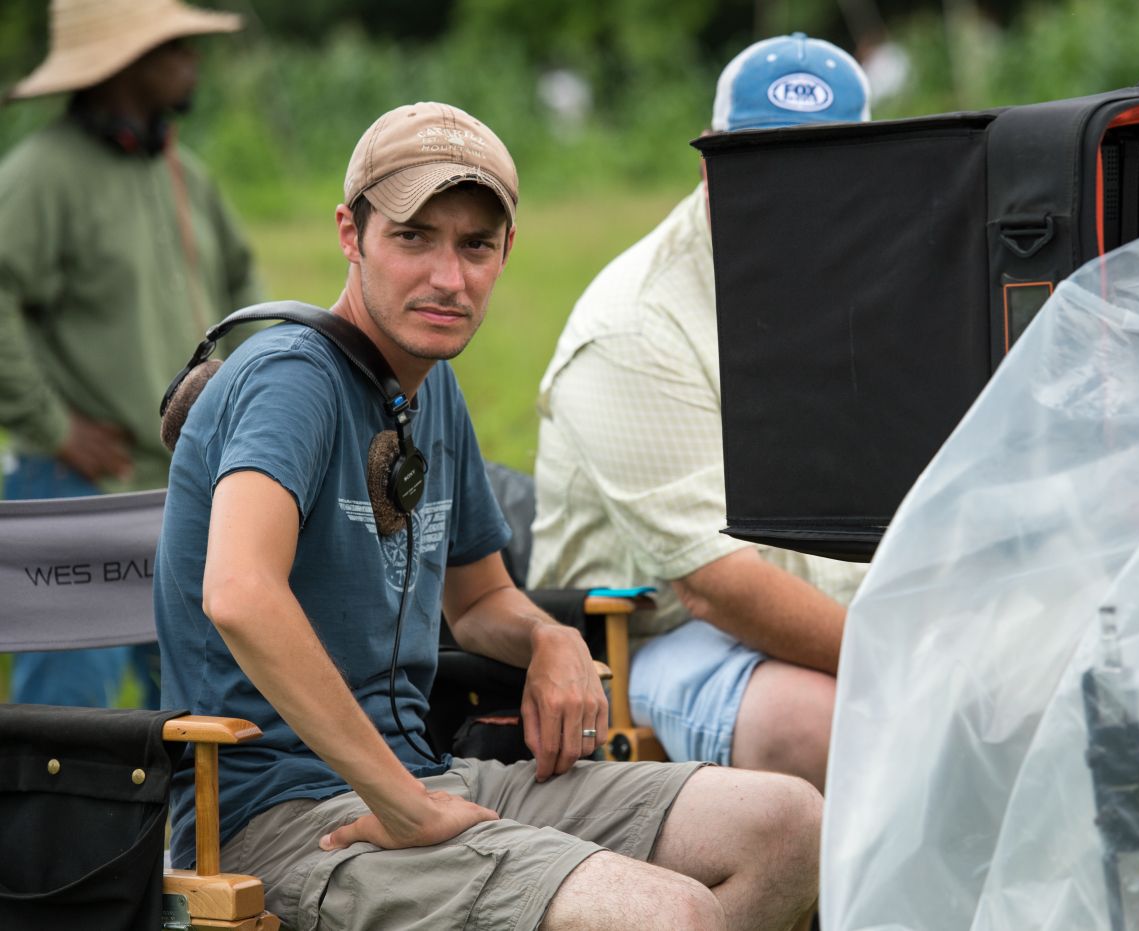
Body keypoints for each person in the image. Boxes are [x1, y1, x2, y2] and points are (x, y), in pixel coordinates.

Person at [154, 101, 821, 931]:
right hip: (286, 823)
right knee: (669, 914)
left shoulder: (432, 391)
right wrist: (402, 805)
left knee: (792, 827)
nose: (448, 277)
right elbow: (239, 591)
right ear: (349, 233)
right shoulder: (293, 376)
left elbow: (475, 603)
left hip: (434, 777)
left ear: (507, 250)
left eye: (475, 245)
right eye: (414, 237)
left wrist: (549, 638)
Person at [529, 34, 871, 791]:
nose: (791, 192)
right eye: (761, 165)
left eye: (825, 166)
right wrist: (906, 658)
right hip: (654, 633)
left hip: (842, 603)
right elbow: (716, 584)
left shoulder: (885, 284)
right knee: (823, 723)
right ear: (710, 159)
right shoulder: (633, 323)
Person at [0, 0, 258, 708]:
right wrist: (53, 427)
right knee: (65, 730)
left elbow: (242, 278)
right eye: (174, 46)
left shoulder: (183, 170)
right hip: (78, 493)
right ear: (123, 65)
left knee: (196, 724)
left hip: (184, 489)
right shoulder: (40, 176)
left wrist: (254, 394)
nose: (192, 60)